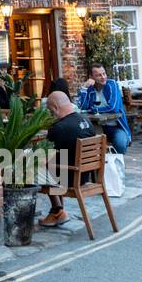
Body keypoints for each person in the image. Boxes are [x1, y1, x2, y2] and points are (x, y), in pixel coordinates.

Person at [39, 90, 98, 228]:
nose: (50, 114)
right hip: (84, 175)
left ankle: (57, 211)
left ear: (55, 108)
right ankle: (58, 211)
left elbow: (45, 158)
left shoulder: (58, 128)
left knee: (38, 167)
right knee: (53, 166)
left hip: (69, 179)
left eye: (50, 110)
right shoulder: (86, 121)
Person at [76, 64, 131, 155]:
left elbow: (113, 108)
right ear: (91, 77)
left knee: (120, 144)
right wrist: (85, 88)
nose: (103, 77)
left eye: (104, 74)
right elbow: (83, 108)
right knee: (86, 145)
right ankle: (97, 166)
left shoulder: (112, 84)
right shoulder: (90, 89)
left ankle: (115, 165)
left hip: (116, 127)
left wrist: (94, 109)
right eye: (99, 75)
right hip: (96, 127)